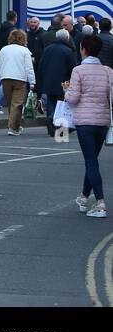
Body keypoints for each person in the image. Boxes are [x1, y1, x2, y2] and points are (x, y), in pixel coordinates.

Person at [64, 34, 112, 218]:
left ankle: (100, 203)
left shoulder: (78, 71)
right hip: (102, 122)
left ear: (83, 49)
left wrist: (66, 92)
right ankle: (84, 197)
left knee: (91, 161)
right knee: (92, 160)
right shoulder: (108, 71)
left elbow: (73, 98)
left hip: (85, 122)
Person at [0, 29, 36, 136]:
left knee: (11, 104)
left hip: (5, 78)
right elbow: (29, 68)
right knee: (17, 104)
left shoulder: (4, 49)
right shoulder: (25, 51)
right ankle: (12, 127)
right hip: (20, 79)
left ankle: (16, 126)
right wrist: (32, 82)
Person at [39, 29, 77, 136]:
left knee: (51, 103)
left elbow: (41, 66)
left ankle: (51, 123)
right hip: (63, 82)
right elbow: (73, 68)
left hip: (49, 81)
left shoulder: (47, 49)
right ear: (67, 38)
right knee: (62, 104)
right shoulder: (68, 51)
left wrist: (41, 82)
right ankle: (55, 123)